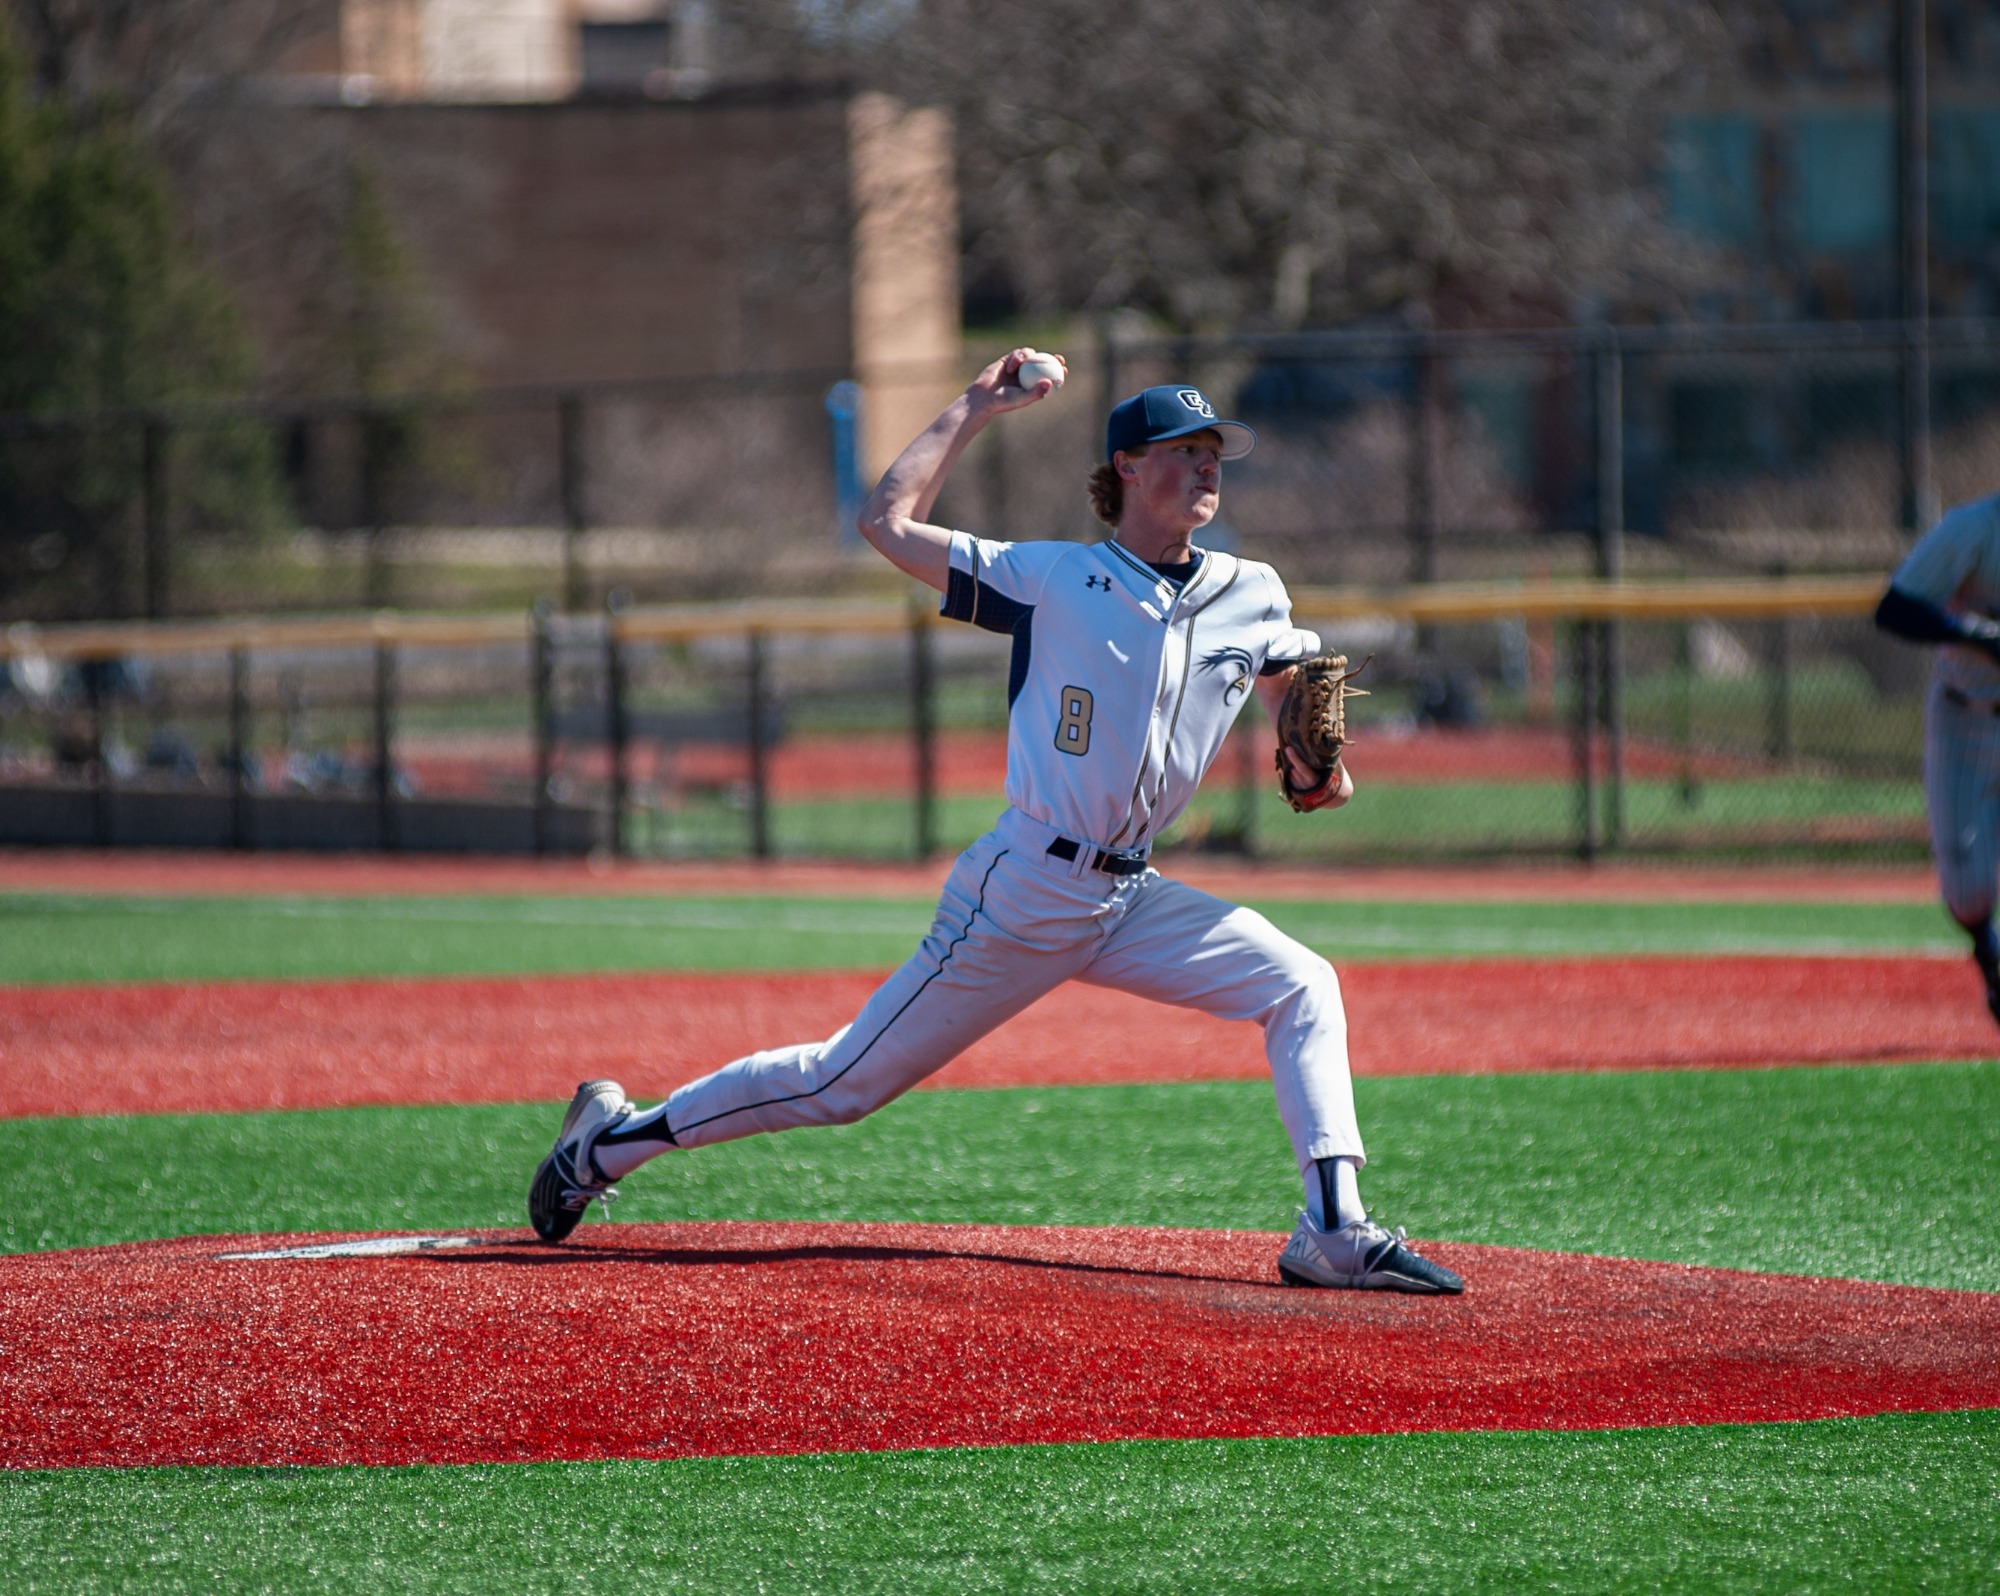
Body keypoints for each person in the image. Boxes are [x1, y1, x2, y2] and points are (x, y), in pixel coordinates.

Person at [527, 350, 1465, 1295]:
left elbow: (1291, 708)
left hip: (1131, 896)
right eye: (1185, 449)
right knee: (839, 1085)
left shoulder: (1253, 590)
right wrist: (977, 404)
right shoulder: (1050, 578)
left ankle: (1334, 1229)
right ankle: (603, 1147)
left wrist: (1316, 767)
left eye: (1216, 450)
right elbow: (883, 524)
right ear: (1128, 468)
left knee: (1301, 982)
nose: (1208, 465)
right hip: (1021, 892)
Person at [1876, 491, 2000, 1026]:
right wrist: (1973, 635)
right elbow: (1895, 608)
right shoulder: (1975, 529)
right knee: (1968, 892)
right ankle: (1990, 959)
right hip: (1964, 715)